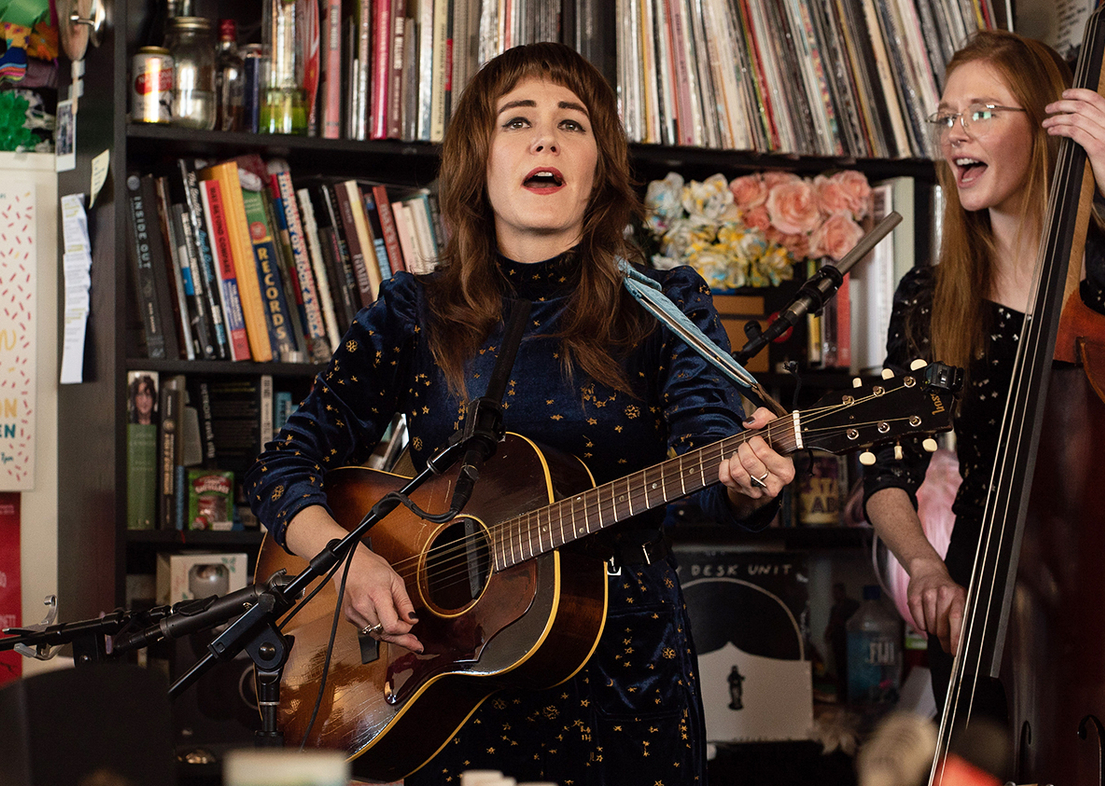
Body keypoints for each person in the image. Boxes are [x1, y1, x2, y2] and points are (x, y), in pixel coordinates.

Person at [245, 41, 794, 785]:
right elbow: (282, 466)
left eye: (572, 124)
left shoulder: (667, 303)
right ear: (480, 160)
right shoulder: (414, 312)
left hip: (623, 679)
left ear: (599, 167)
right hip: (443, 678)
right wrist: (351, 561)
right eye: (518, 122)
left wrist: (741, 477)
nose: (546, 138)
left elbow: (708, 450)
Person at [862, 30, 1105, 708]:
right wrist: (925, 569)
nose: (956, 132)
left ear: (1047, 127)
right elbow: (887, 468)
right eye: (947, 116)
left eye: (982, 111)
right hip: (982, 601)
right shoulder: (930, 294)